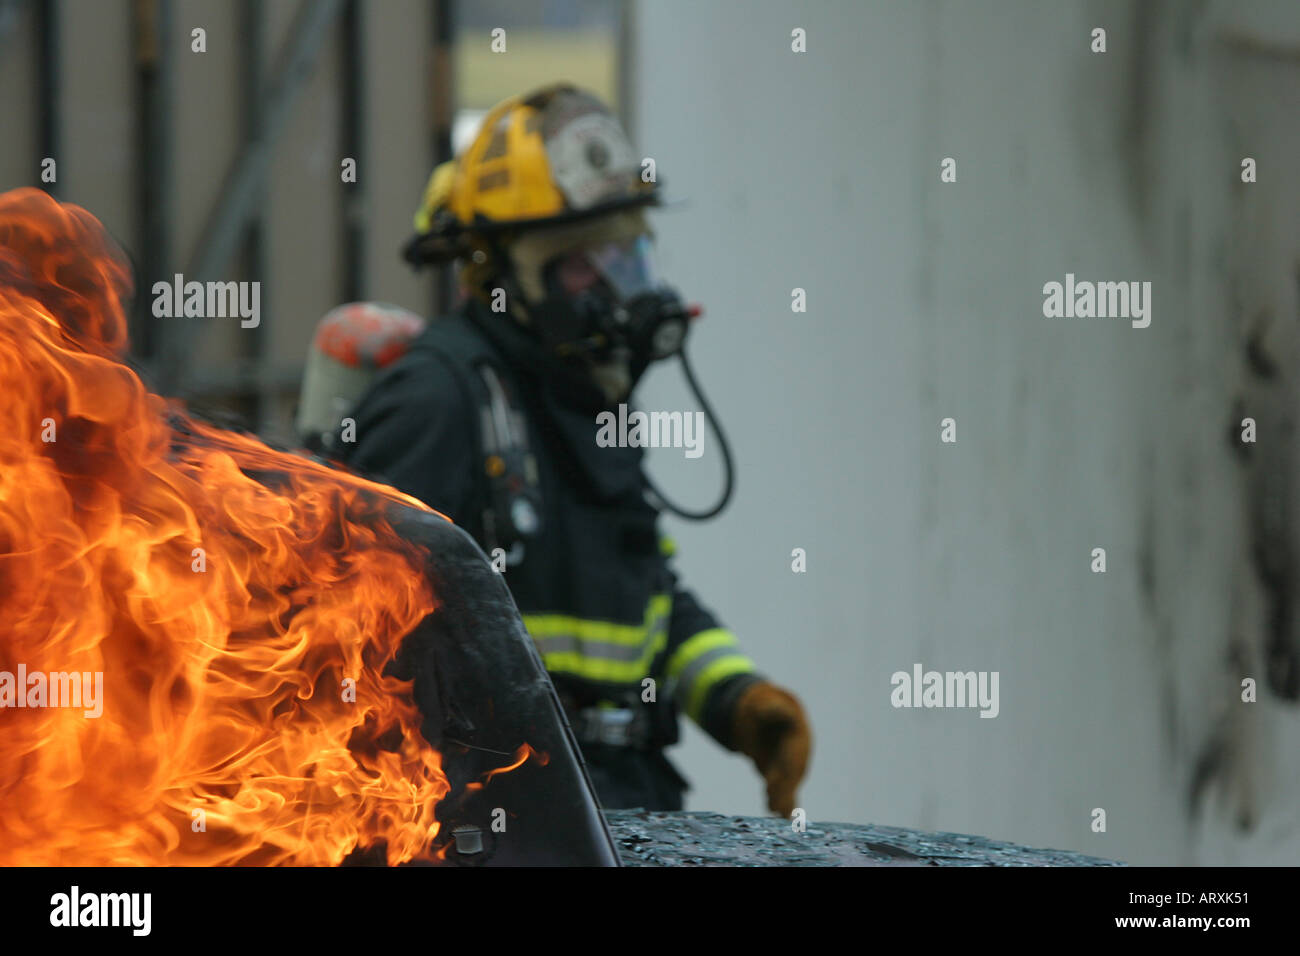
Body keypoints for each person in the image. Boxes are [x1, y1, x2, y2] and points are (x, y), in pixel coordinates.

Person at [331, 83, 810, 815]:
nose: (618, 285)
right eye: (583, 262)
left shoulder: (579, 397)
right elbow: (345, 634)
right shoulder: (443, 400)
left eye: (627, 250)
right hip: (509, 817)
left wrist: (736, 700)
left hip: (622, 802)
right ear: (504, 275)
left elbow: (646, 594)